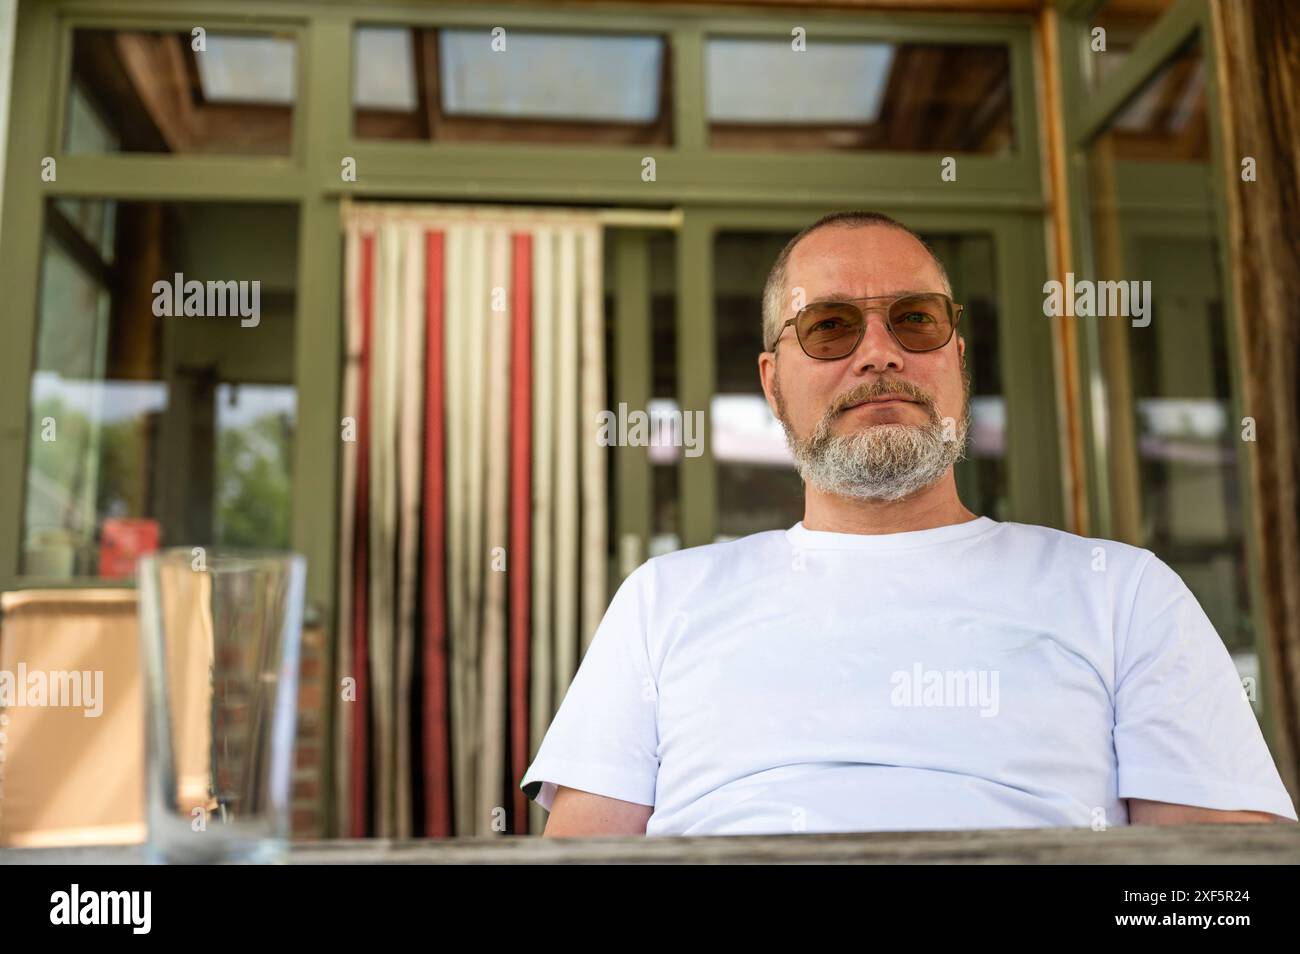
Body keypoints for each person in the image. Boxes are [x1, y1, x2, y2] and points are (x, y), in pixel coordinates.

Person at [520, 210, 1299, 837]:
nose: (880, 355)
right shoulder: (664, 599)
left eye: (914, 320)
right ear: (771, 382)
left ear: (958, 362)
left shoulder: (1124, 594)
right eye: (829, 327)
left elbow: (1216, 881)